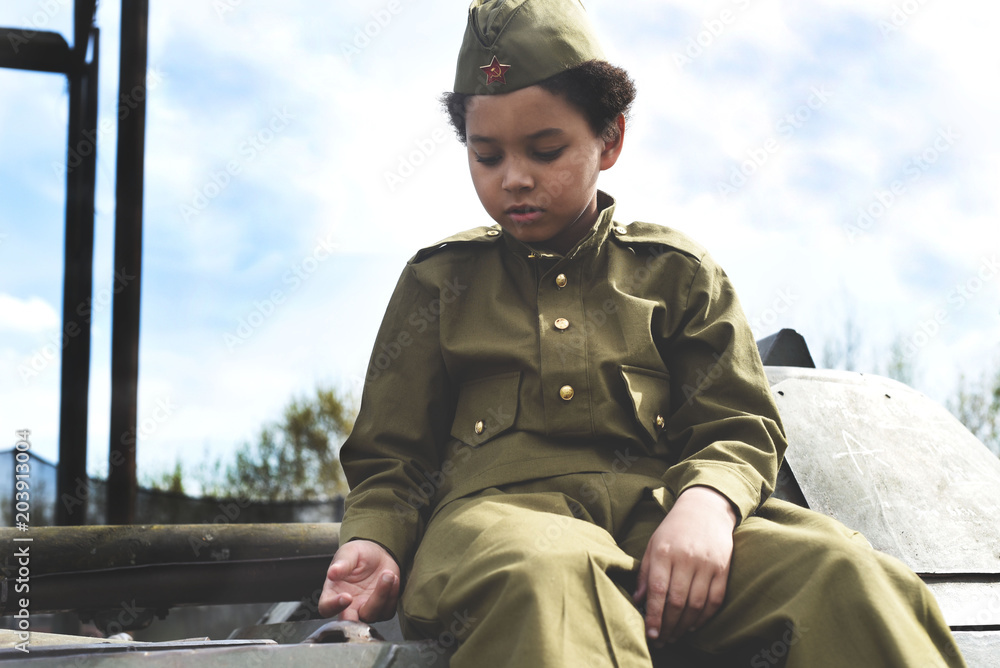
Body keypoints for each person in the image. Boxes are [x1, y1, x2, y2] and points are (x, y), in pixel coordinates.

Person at [318, 1, 967, 666]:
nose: (513, 177)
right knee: (550, 583)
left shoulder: (676, 274)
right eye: (486, 156)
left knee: (845, 576)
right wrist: (374, 540)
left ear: (611, 139)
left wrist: (709, 505)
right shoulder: (439, 284)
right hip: (499, 531)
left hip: (664, 524)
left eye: (546, 150)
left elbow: (737, 421)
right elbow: (392, 461)